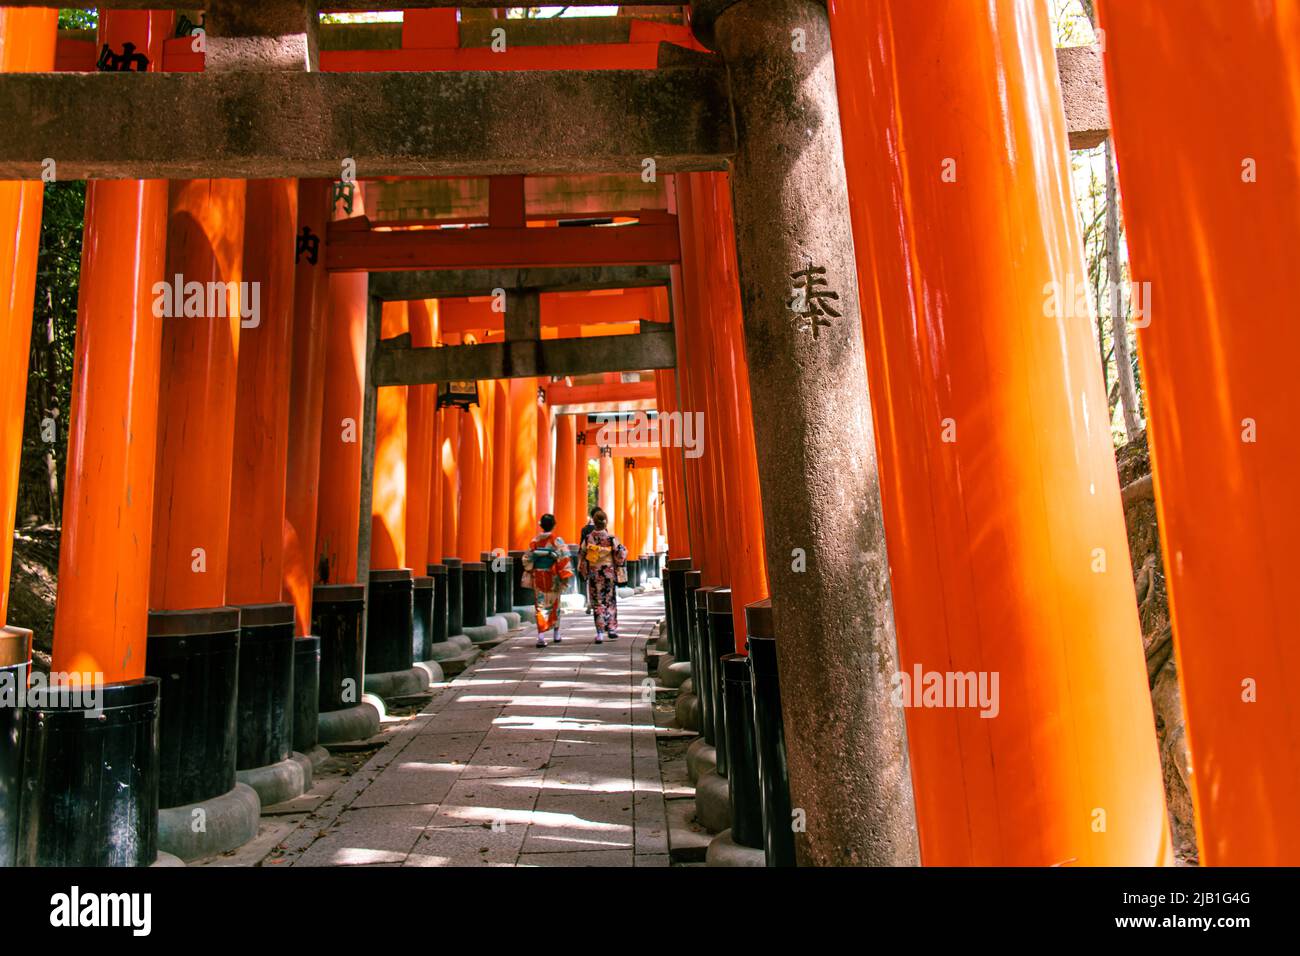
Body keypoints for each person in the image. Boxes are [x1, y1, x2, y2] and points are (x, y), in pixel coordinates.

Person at [520, 513, 573, 648]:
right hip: (553, 575)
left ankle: (541, 636)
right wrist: (562, 571)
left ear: (541, 525)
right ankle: (556, 634)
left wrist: (536, 561)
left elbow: (527, 558)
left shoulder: (535, 541)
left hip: (538, 575)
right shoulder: (557, 540)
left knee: (540, 605)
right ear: (554, 525)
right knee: (555, 603)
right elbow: (564, 556)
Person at [577, 508, 626, 644]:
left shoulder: (588, 538)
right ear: (606, 523)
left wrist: (584, 571)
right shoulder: (611, 538)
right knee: (610, 599)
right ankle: (611, 629)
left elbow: (582, 554)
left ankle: (599, 633)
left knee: (597, 601)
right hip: (608, 572)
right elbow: (620, 554)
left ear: (594, 522)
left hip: (594, 572)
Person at [578, 506, 598, 612]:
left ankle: (589, 602)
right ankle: (596, 602)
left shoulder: (585, 529)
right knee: (598, 581)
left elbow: (581, 546)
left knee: (588, 580)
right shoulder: (604, 530)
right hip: (600, 559)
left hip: (588, 558)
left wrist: (579, 560)